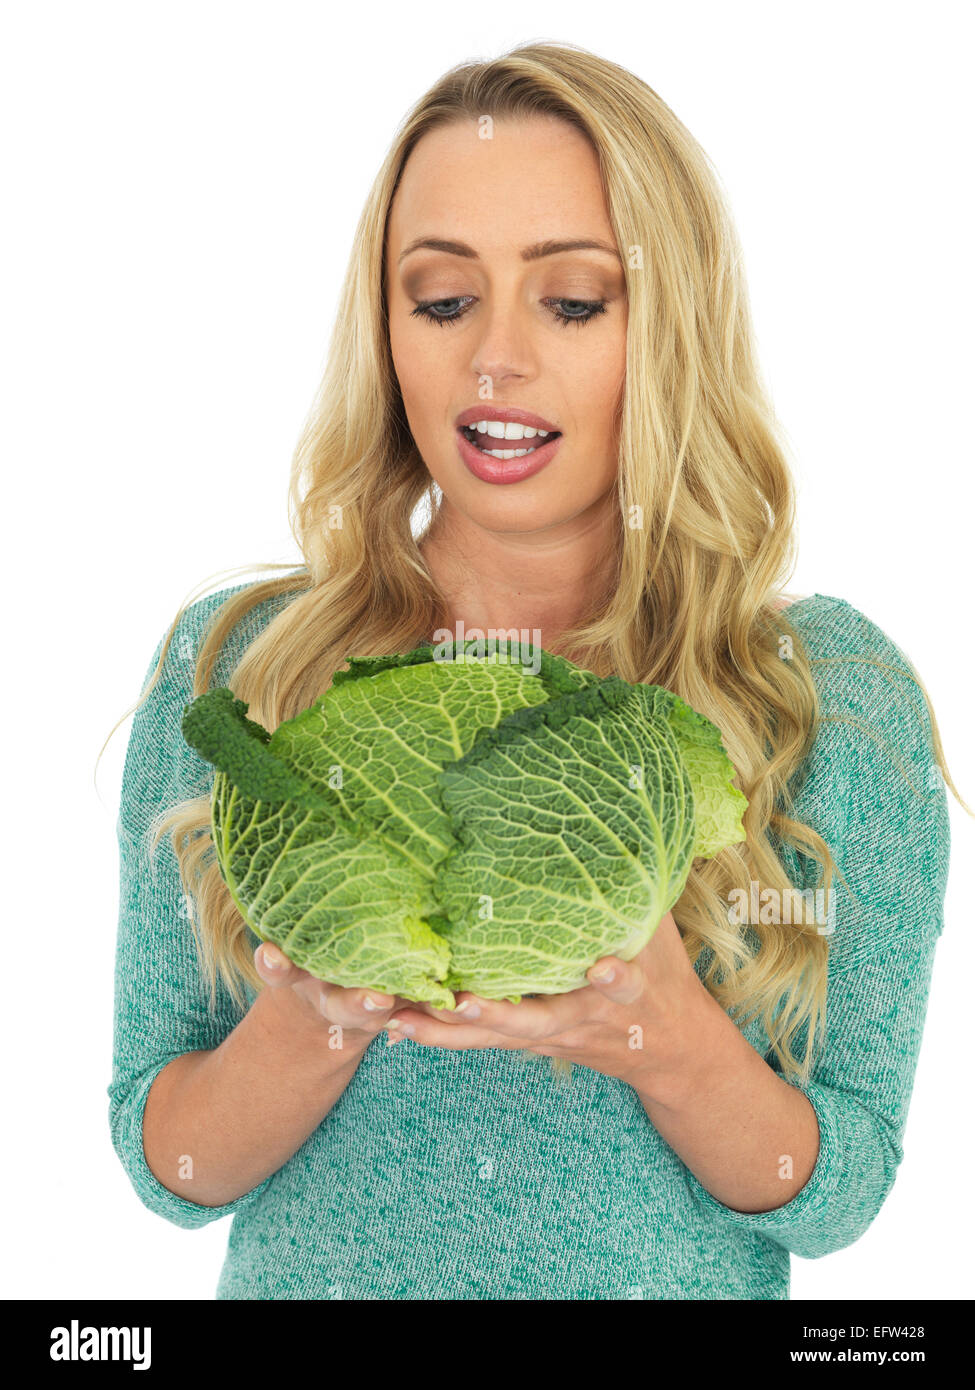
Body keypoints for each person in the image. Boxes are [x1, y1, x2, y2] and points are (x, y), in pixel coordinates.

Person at [105, 42, 958, 1300]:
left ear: (668, 323)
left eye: (572, 301)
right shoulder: (245, 669)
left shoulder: (827, 701)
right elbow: (161, 1154)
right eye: (443, 301)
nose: (494, 359)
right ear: (386, 333)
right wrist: (310, 1020)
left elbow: (843, 1191)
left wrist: (671, 1046)